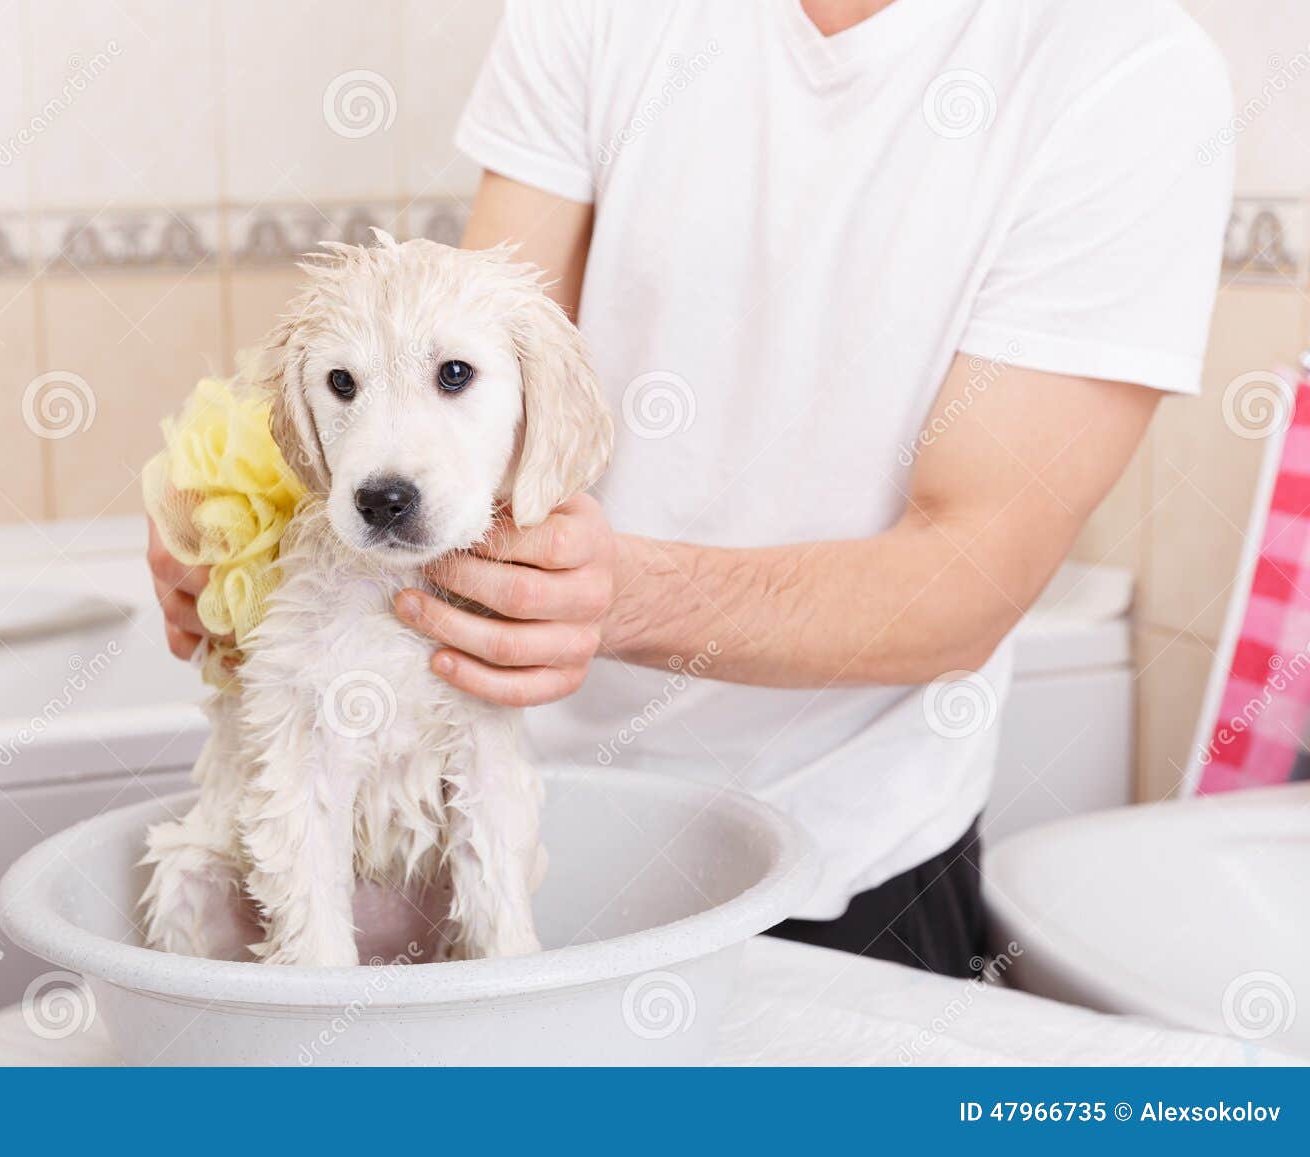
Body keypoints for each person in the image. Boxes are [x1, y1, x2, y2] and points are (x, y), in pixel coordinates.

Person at [151, 0, 1233, 977]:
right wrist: (247, 527)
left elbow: (971, 571)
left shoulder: (1120, 69)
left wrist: (626, 598)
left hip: (841, 861)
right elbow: (465, 380)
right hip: (518, 817)